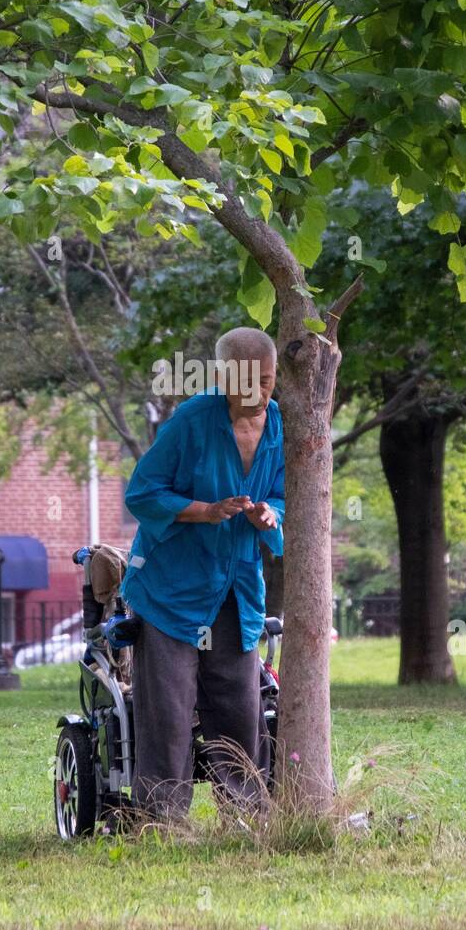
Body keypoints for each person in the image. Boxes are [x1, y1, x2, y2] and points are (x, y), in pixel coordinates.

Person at [120, 327, 285, 819]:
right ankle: (163, 819)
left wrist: (269, 514)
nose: (260, 392)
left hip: (235, 590)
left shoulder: (278, 425)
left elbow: (283, 493)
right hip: (172, 591)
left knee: (240, 706)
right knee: (169, 712)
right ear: (222, 377)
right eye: (248, 381)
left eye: (269, 380)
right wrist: (206, 510)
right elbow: (142, 494)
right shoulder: (190, 421)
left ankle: (246, 815)